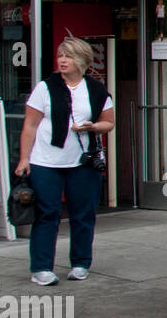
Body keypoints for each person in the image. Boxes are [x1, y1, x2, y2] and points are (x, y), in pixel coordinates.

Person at [14, 38, 114, 286]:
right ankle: (41, 268)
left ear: (82, 60)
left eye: (68, 56)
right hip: (46, 162)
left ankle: (80, 264)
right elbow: (30, 125)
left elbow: (108, 123)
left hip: (83, 162)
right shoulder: (44, 88)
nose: (62, 60)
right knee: (47, 214)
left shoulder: (97, 89)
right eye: (60, 55)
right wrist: (24, 158)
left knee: (83, 215)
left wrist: (92, 127)